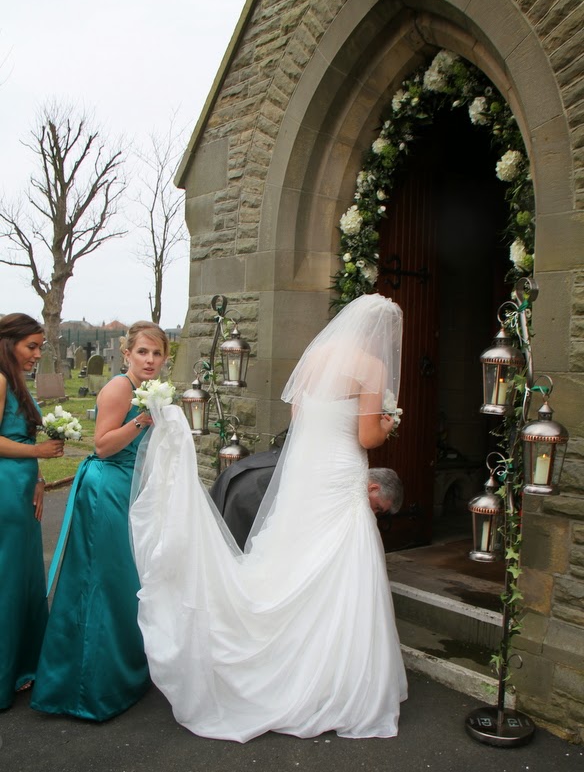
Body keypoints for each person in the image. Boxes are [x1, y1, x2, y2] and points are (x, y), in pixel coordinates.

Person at [130, 293, 408, 742]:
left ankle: (268, 661)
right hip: (338, 472)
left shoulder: (316, 355)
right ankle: (328, 678)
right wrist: (390, 422)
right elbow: (367, 435)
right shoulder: (371, 367)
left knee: (290, 558)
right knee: (339, 564)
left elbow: (298, 419)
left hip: (303, 471)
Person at [31, 321, 169, 721]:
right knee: (99, 583)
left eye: (157, 354)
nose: (149, 360)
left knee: (122, 580)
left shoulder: (146, 391)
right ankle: (83, 689)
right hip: (105, 487)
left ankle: (119, 673)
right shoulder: (119, 388)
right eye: (143, 352)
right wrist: (142, 419)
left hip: (128, 488)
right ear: (127, 353)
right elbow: (103, 445)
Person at [0, 314, 64, 710]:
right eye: (32, 346)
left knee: (24, 578)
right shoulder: (1, 379)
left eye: (39, 346)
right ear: (8, 343)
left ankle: (23, 666)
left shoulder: (17, 382)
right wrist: (37, 453)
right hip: (5, 486)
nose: (37, 354)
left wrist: (39, 477)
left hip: (24, 486)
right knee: (7, 579)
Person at [211, 446, 403, 550]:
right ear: (373, 487)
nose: (374, 515)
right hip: (255, 490)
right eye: (377, 507)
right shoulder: (343, 485)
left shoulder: (349, 479)